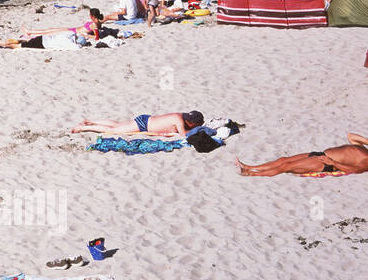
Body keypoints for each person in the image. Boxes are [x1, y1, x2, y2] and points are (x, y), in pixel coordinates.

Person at [236, 133, 368, 177]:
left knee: (286, 166)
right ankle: (248, 167)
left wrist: (332, 163)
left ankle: (251, 173)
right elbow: (351, 136)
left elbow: (354, 170)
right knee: (283, 160)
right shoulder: (364, 149)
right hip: (321, 154)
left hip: (325, 163)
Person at [70, 110, 205, 136]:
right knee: (114, 131)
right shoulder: (178, 120)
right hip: (143, 125)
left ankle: (90, 121)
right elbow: (183, 135)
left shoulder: (179, 115)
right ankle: (83, 128)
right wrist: (199, 131)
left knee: (117, 124)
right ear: (191, 123)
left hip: (145, 120)